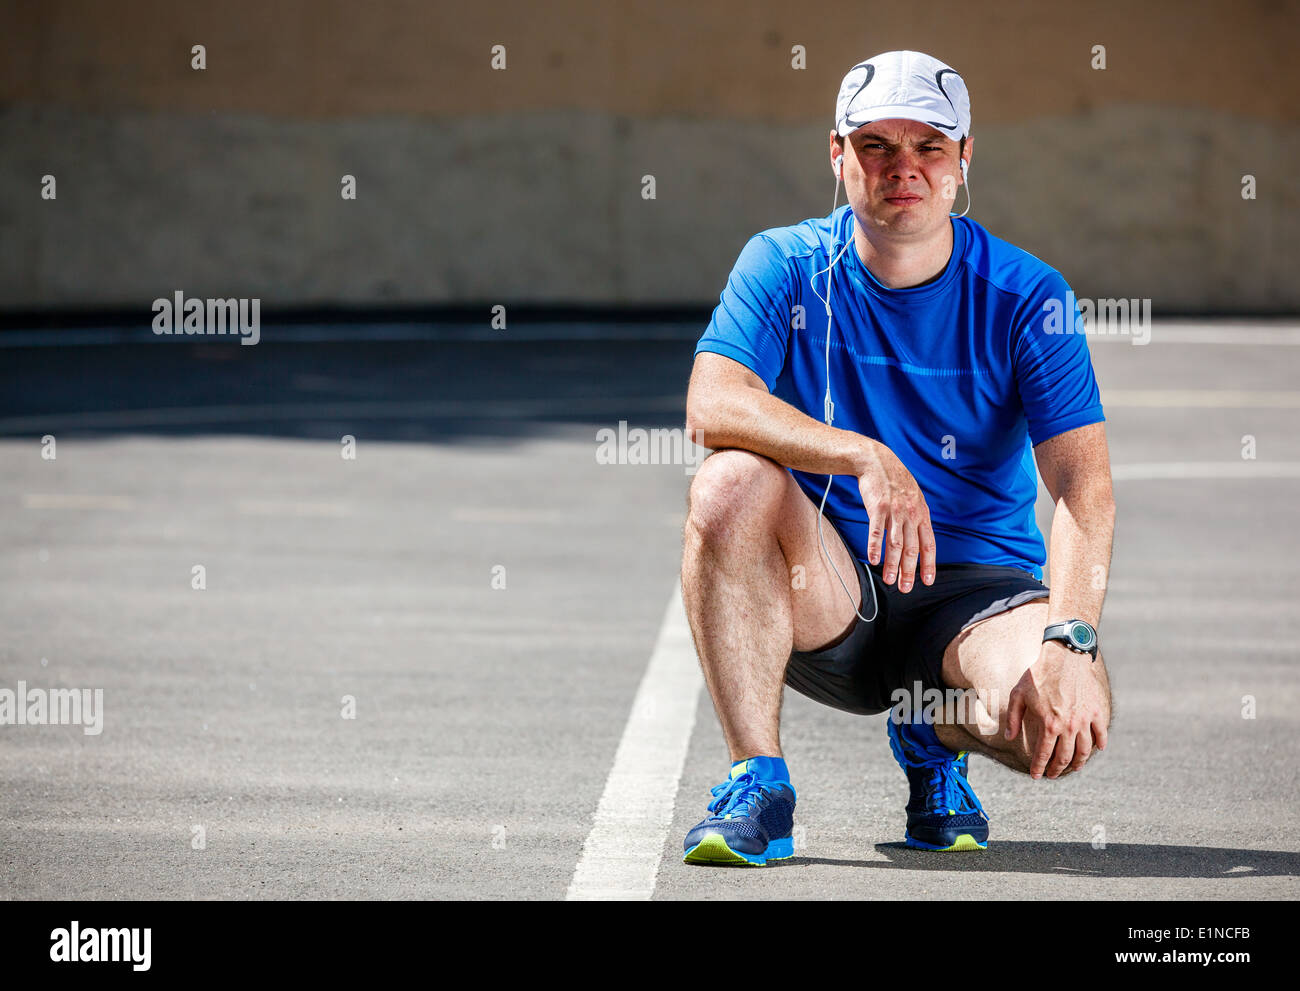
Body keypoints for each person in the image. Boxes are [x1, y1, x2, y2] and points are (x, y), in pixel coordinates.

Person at [680, 50, 1115, 865]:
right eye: (876, 145)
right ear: (837, 154)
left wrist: (1072, 641)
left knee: (1060, 721)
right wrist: (863, 456)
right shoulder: (785, 264)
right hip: (832, 586)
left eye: (929, 148)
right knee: (729, 481)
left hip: (976, 590)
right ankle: (758, 782)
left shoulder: (1029, 295)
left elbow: (1082, 490)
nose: (902, 169)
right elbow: (712, 404)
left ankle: (930, 726)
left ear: (964, 160)